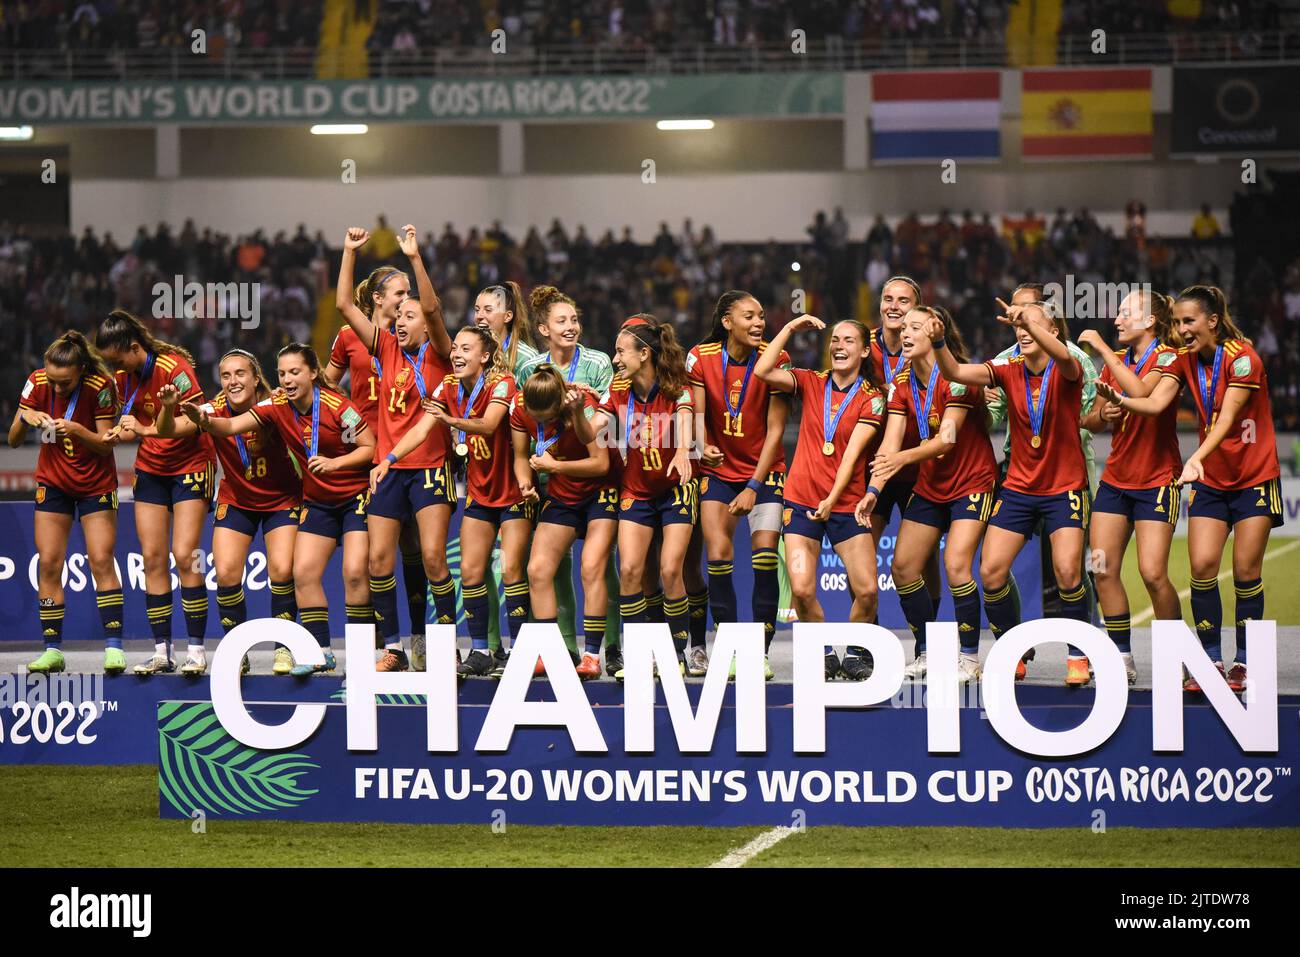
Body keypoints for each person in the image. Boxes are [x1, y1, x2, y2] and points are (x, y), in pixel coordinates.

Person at [1098, 285, 1280, 693]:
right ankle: (1209, 659)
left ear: (1212, 321)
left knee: (1247, 572)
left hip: (1253, 477)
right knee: (1201, 570)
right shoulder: (1180, 359)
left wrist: (1196, 456)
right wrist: (1119, 401)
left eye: (1189, 322)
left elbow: (1229, 416)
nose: (1181, 330)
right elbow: (1149, 397)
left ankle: (1245, 662)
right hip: (1210, 481)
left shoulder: (1244, 358)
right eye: (1177, 322)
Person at [184, 344, 375, 676]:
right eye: (283, 373)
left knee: (355, 573)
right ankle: (321, 653)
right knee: (302, 573)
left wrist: (336, 463)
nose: (287, 379)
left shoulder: (339, 408)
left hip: (352, 497)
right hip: (316, 502)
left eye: (295, 372)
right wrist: (202, 419)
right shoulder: (275, 405)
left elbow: (370, 447)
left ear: (313, 372)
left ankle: (364, 656)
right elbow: (229, 427)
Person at [931, 299, 1094, 686]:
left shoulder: (1068, 367)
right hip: (1019, 487)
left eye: (1032, 325)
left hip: (1064, 486)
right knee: (990, 571)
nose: (1021, 331)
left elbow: (1064, 356)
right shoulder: (1007, 368)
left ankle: (1079, 653)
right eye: (1018, 326)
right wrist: (939, 342)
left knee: (1069, 570)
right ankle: (1011, 650)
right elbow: (954, 370)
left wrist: (1031, 322)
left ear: (1053, 333)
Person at [373, 326, 530, 678]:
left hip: (514, 491)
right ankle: (480, 652)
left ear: (485, 356)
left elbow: (489, 425)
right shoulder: (448, 386)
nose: (456, 354)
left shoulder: (501, 383)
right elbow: (421, 428)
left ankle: (519, 652)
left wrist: (451, 420)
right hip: (480, 492)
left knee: (512, 571)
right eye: (455, 348)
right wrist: (390, 459)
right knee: (471, 573)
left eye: (465, 349)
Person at [857, 305, 998, 682]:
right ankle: (928, 650)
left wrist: (901, 458)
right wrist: (874, 489)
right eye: (903, 327)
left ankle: (969, 658)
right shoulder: (902, 382)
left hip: (971, 482)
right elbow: (888, 443)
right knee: (902, 568)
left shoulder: (958, 377)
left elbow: (947, 440)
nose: (904, 333)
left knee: (955, 565)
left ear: (936, 333)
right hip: (931, 486)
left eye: (915, 327)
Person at [336, 225, 454, 672]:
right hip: (387, 470)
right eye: (397, 314)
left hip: (429, 466)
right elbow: (345, 304)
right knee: (377, 561)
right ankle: (393, 649)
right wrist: (349, 251)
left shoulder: (441, 353)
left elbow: (433, 306)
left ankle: (437, 644)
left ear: (424, 320)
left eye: (409, 316)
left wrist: (416, 258)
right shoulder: (385, 348)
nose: (400, 321)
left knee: (431, 558)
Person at [756, 315, 885, 682]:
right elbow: (765, 370)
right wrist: (790, 330)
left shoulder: (873, 398)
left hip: (846, 505)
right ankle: (824, 652)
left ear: (863, 350)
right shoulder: (812, 382)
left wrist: (831, 498)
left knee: (867, 590)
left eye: (848, 340)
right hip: (799, 502)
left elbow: (852, 454)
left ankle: (858, 650)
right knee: (801, 588)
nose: (839, 346)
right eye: (834, 340)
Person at [157, 349, 302, 675]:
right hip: (237, 499)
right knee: (225, 573)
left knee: (281, 569)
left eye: (240, 374)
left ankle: (283, 648)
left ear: (254, 377)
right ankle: (238, 649)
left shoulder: (277, 403)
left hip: (282, 499)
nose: (233, 381)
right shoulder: (211, 408)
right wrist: (167, 410)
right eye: (226, 376)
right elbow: (168, 431)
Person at [96, 310, 215, 676]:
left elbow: (192, 423)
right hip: (152, 469)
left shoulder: (174, 368)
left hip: (191, 466)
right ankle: (163, 651)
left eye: (117, 358)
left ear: (134, 347)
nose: (114, 366)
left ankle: (196, 651)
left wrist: (146, 430)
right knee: (152, 557)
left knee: (184, 555)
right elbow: (136, 426)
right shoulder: (122, 377)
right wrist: (123, 433)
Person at [325, 256, 430, 666]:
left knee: (415, 550)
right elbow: (327, 387)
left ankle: (419, 639)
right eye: (400, 293)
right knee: (374, 558)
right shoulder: (351, 338)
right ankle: (387, 644)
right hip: (366, 455)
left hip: (413, 453)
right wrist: (345, 425)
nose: (406, 300)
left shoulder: (415, 341)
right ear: (378, 298)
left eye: (409, 295)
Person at [1077, 290, 1184, 686]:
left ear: (1151, 320)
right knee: (1100, 569)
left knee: (1153, 572)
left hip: (1157, 480)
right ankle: (1121, 656)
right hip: (1116, 482)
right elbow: (1089, 421)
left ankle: (1179, 655)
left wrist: (1103, 349)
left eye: (1126, 314)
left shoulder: (1171, 358)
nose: (1118, 320)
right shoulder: (1116, 364)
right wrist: (1101, 413)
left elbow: (1141, 393)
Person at [688, 290, 791, 680]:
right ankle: (729, 650)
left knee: (765, 558)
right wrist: (701, 444)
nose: (759, 322)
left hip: (765, 473)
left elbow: (776, 430)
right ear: (727, 321)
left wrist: (753, 484)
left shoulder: (776, 359)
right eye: (749, 316)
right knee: (717, 555)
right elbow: (696, 413)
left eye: (762, 315)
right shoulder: (701, 357)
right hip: (717, 472)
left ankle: (760, 654)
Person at [516, 285, 618, 668]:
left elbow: (603, 426)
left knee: (596, 567)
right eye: (562, 321)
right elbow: (524, 425)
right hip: (553, 483)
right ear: (544, 329)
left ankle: (602, 650)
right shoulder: (531, 369)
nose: (571, 326)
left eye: (574, 320)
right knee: (542, 569)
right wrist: (529, 475)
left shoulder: (597, 363)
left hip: (596, 478)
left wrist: (582, 413)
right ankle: (553, 651)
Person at [11, 333, 125, 675]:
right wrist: (24, 418)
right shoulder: (37, 382)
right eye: (54, 382)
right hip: (53, 483)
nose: (58, 389)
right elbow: (14, 440)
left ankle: (114, 648)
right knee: (48, 563)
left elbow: (106, 445)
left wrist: (76, 429)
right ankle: (52, 649)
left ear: (81, 371)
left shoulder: (101, 385)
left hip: (96, 484)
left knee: (101, 560)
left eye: (66, 383)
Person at [594, 316, 697, 679]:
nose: (615, 358)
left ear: (644, 353)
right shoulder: (617, 388)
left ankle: (676, 654)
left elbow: (685, 417)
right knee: (630, 571)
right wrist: (576, 411)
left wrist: (683, 450)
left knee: (670, 569)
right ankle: (640, 655)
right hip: (636, 490)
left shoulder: (676, 387)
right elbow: (594, 427)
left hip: (674, 489)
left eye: (621, 351)